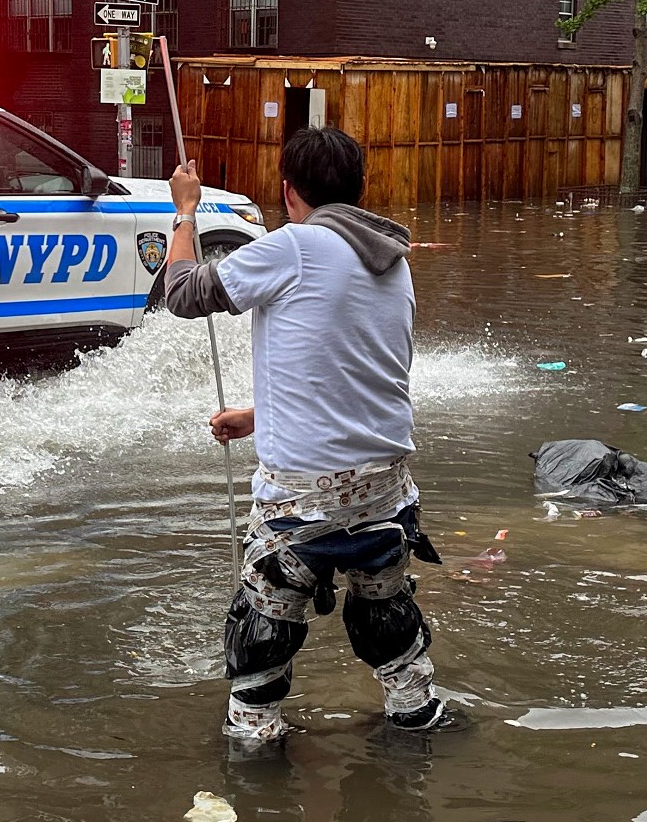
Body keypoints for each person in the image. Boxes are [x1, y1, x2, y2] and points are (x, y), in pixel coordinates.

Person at [163, 128, 456, 742]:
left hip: (302, 502)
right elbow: (354, 373)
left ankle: (256, 753)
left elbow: (183, 295)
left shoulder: (293, 245)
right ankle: (416, 723)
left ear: (289, 192)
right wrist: (261, 415)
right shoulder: (392, 259)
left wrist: (184, 212)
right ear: (358, 189)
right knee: (389, 621)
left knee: (262, 635)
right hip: (387, 494)